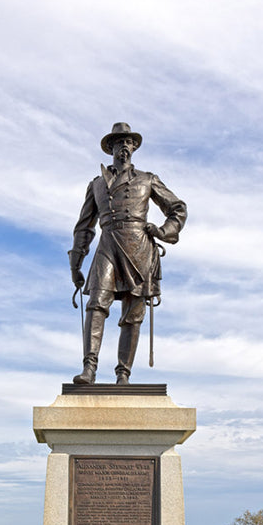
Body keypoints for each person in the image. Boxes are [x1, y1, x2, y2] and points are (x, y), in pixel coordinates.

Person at [69, 122, 187, 384]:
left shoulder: (147, 179)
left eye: (128, 142)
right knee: (96, 303)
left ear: (134, 147)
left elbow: (177, 208)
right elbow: (84, 227)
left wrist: (164, 230)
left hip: (139, 247)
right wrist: (76, 263)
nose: (124, 146)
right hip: (108, 243)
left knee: (134, 312)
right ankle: (89, 369)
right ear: (110, 147)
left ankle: (124, 374)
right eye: (119, 142)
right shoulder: (97, 184)